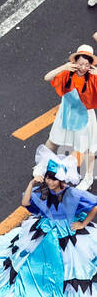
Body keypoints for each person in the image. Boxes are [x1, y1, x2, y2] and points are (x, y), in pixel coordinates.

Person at [0, 149, 97, 297]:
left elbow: (94, 205)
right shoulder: (43, 191)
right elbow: (25, 203)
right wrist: (32, 182)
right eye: (48, 177)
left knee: (68, 271)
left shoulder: (73, 194)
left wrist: (83, 224)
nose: (49, 181)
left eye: (53, 178)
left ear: (62, 180)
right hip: (43, 232)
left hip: (67, 235)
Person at [44, 45, 97, 189]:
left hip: (84, 116)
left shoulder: (93, 77)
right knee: (53, 141)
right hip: (66, 113)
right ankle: (42, 167)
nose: (83, 67)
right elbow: (47, 77)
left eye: (87, 64)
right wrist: (63, 67)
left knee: (87, 149)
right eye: (80, 63)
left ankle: (88, 178)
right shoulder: (67, 73)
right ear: (75, 62)